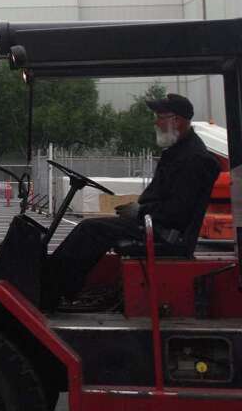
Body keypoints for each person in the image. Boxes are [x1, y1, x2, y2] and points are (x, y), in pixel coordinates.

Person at [42, 93, 219, 309]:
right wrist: (141, 209)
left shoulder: (194, 159)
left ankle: (48, 291)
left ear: (177, 121)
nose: (156, 122)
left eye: (160, 116)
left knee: (90, 229)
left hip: (167, 234)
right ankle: (57, 286)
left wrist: (140, 212)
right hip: (156, 224)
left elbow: (176, 212)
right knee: (93, 228)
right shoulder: (179, 152)